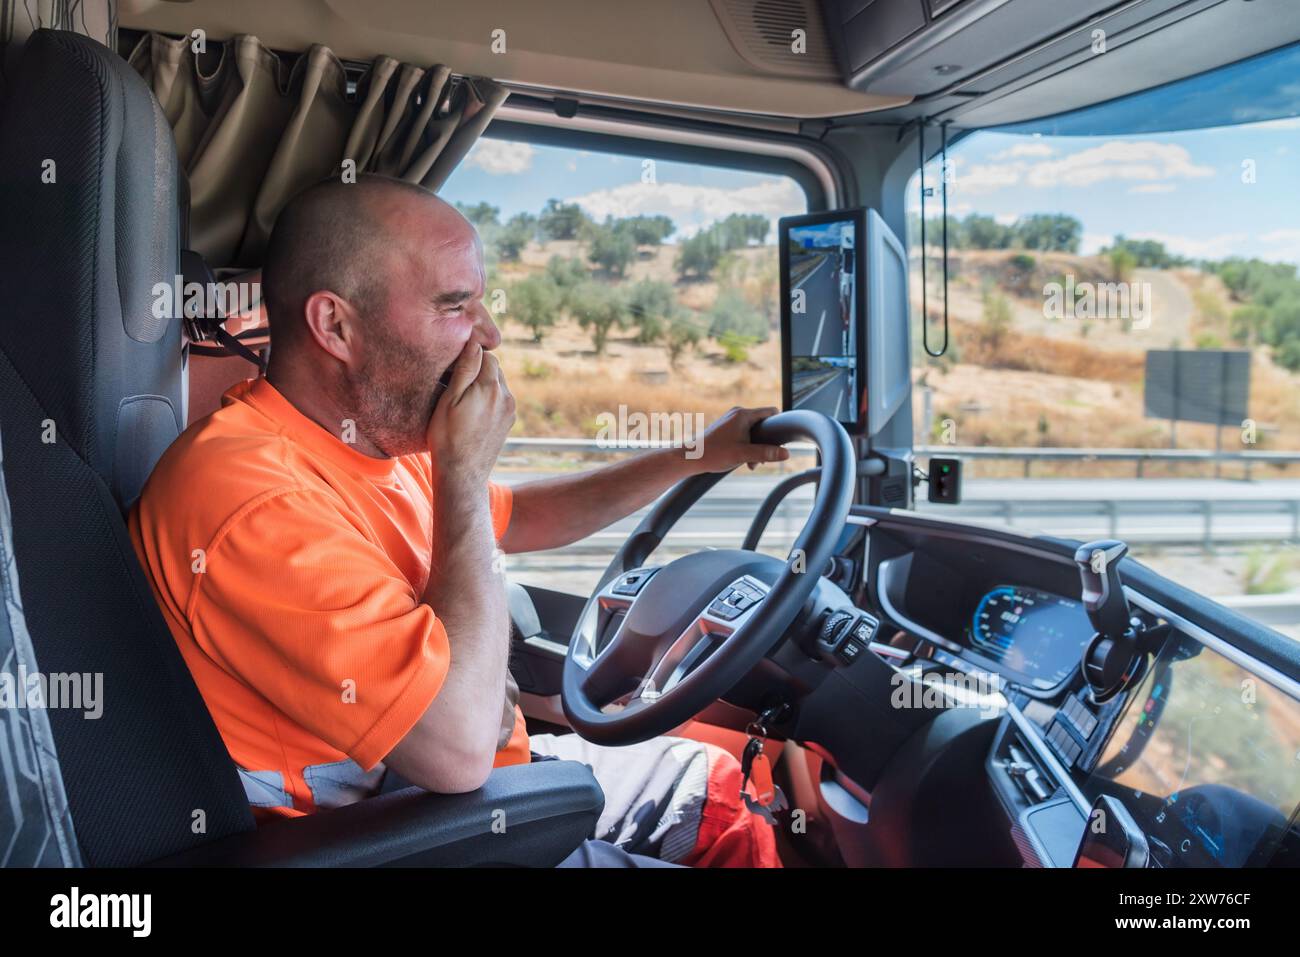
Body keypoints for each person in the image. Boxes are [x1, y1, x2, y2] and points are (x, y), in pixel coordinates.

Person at [129, 174, 791, 867]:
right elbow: (458, 747)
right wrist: (465, 476)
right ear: (335, 326)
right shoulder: (251, 498)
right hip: (397, 838)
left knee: (721, 785)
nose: (491, 336)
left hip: (452, 796)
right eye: (456, 306)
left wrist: (697, 452)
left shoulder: (376, 442)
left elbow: (524, 515)